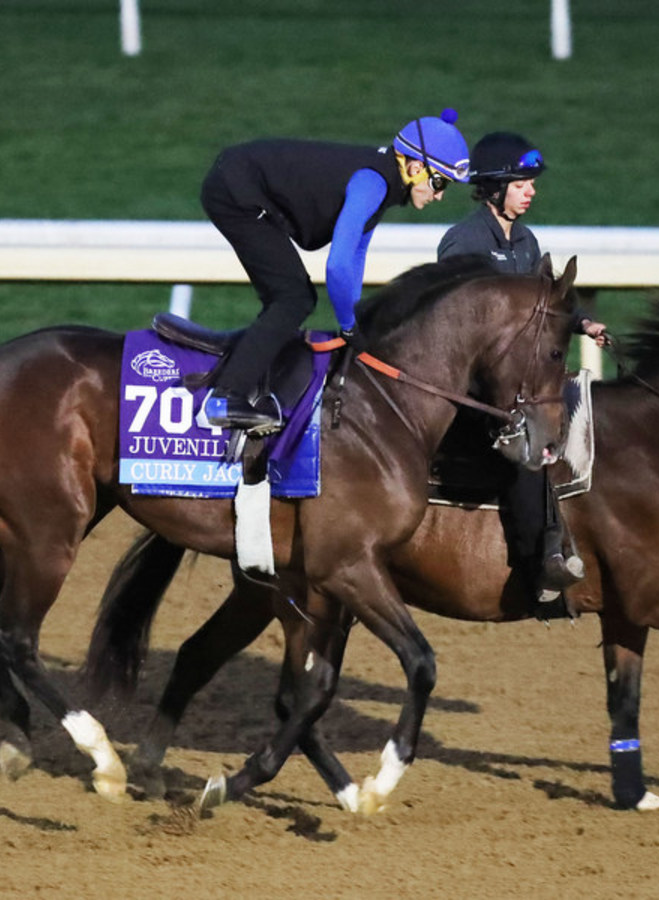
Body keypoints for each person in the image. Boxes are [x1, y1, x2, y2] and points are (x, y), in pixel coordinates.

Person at [197, 110, 471, 432]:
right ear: (414, 167)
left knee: (293, 296)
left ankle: (243, 381)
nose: (439, 195)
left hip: (242, 182)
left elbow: (356, 256)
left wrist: (353, 322)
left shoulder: (382, 184)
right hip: (236, 190)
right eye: (439, 182)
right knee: (293, 298)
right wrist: (348, 326)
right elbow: (338, 265)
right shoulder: (373, 183)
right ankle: (223, 399)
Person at [437, 131, 607, 611]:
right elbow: (459, 321)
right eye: (520, 183)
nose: (530, 191)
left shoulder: (526, 241)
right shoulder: (463, 242)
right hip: (473, 386)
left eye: (530, 183)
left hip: (515, 383)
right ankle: (540, 565)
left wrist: (582, 324)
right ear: (493, 188)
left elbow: (541, 311)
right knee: (528, 446)